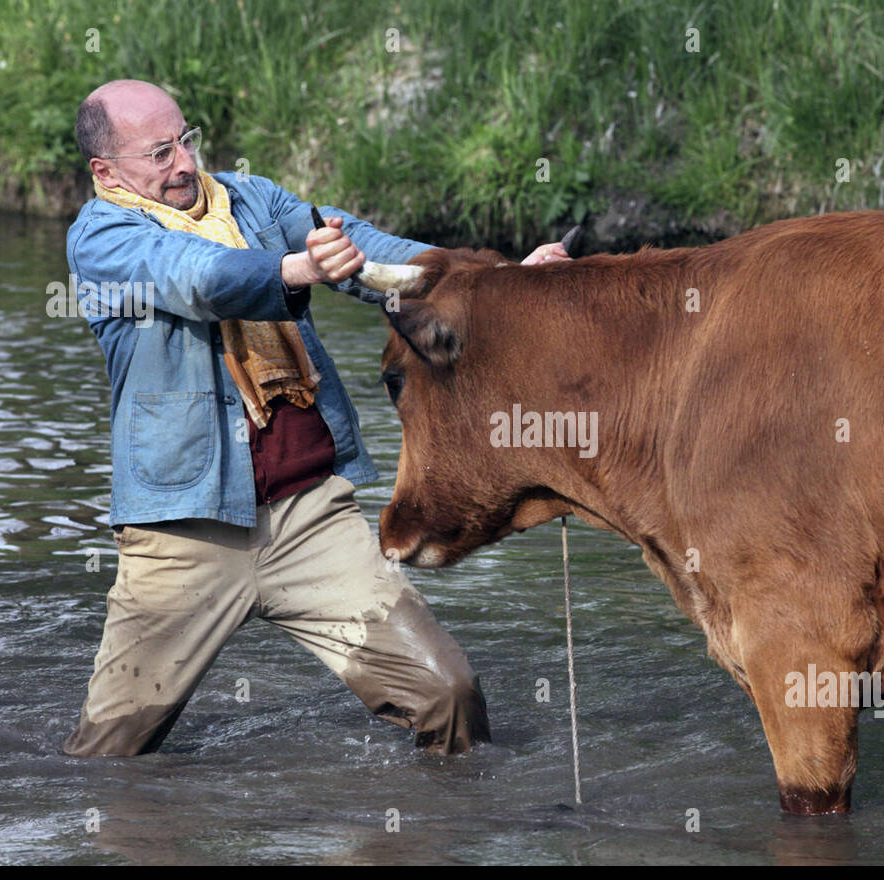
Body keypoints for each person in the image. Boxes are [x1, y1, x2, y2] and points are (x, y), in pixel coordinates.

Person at [62, 78, 568, 758]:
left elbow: (369, 250)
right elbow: (196, 277)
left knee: (449, 699)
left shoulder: (253, 198)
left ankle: (436, 838)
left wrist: (505, 279)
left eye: (186, 140)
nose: (183, 163)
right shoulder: (101, 240)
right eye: (159, 153)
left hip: (311, 518)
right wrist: (299, 267)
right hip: (183, 534)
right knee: (108, 761)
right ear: (106, 170)